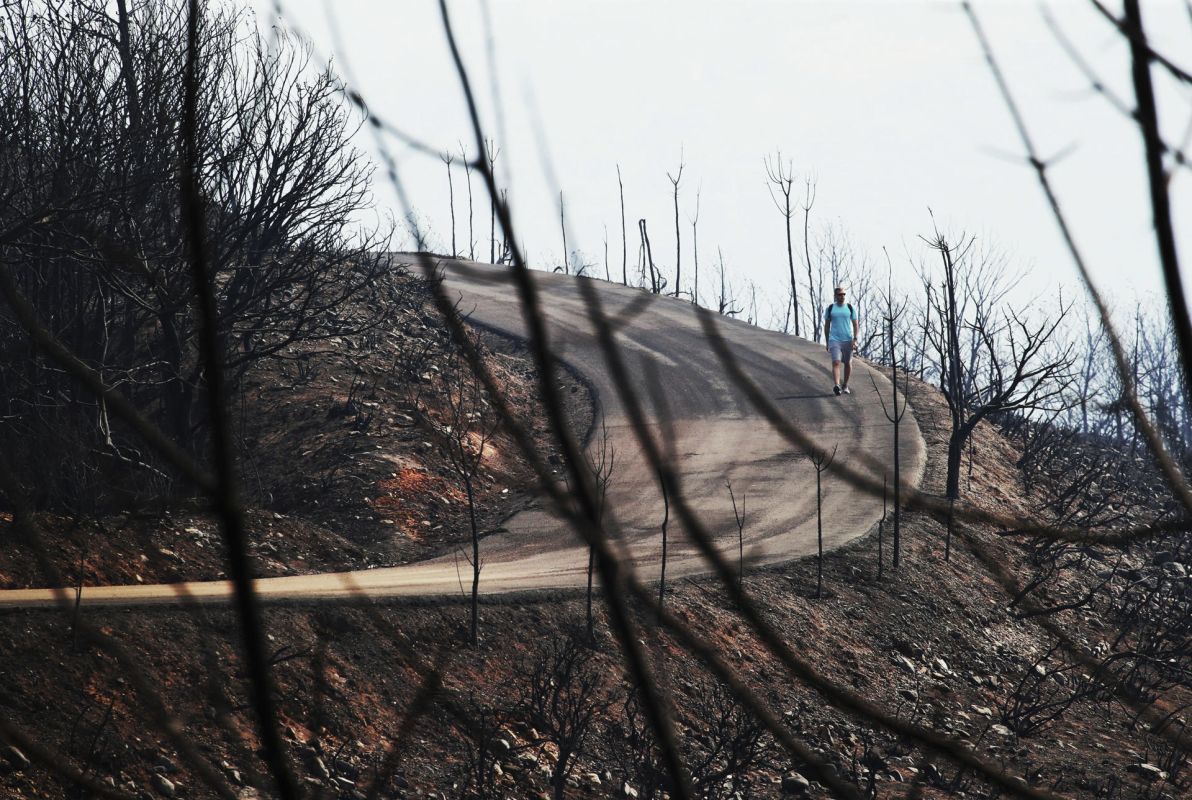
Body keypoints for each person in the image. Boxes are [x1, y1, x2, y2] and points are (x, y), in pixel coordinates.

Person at [824, 286, 859, 395]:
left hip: (848, 340)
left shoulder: (850, 308)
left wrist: (855, 339)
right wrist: (827, 341)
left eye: (844, 294)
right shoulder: (830, 308)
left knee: (848, 363)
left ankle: (845, 385)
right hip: (834, 340)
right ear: (835, 296)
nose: (842, 296)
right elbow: (827, 326)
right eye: (840, 294)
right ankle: (837, 385)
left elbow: (855, 325)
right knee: (836, 362)